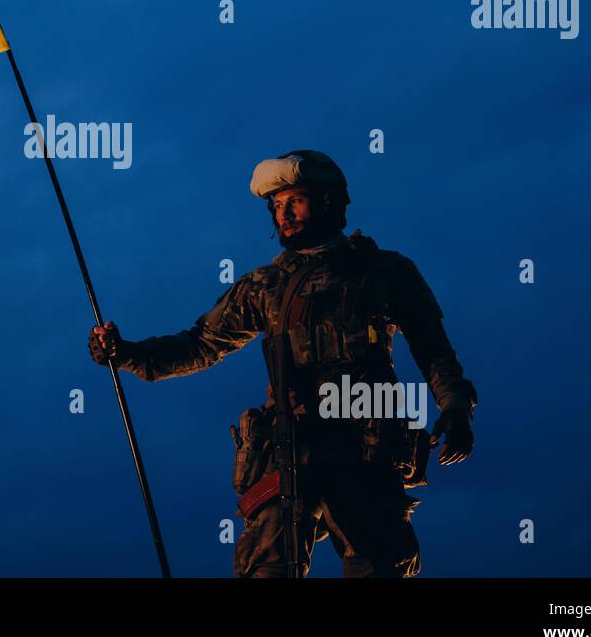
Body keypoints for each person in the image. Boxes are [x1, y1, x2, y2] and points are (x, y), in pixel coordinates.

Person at [89, 149, 477, 577]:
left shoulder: (384, 272)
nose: (283, 213)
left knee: (379, 567)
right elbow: (202, 343)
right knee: (266, 570)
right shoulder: (265, 286)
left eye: (294, 200)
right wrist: (127, 353)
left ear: (329, 201)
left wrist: (455, 407)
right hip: (291, 447)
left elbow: (432, 346)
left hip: (366, 446)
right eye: (275, 205)